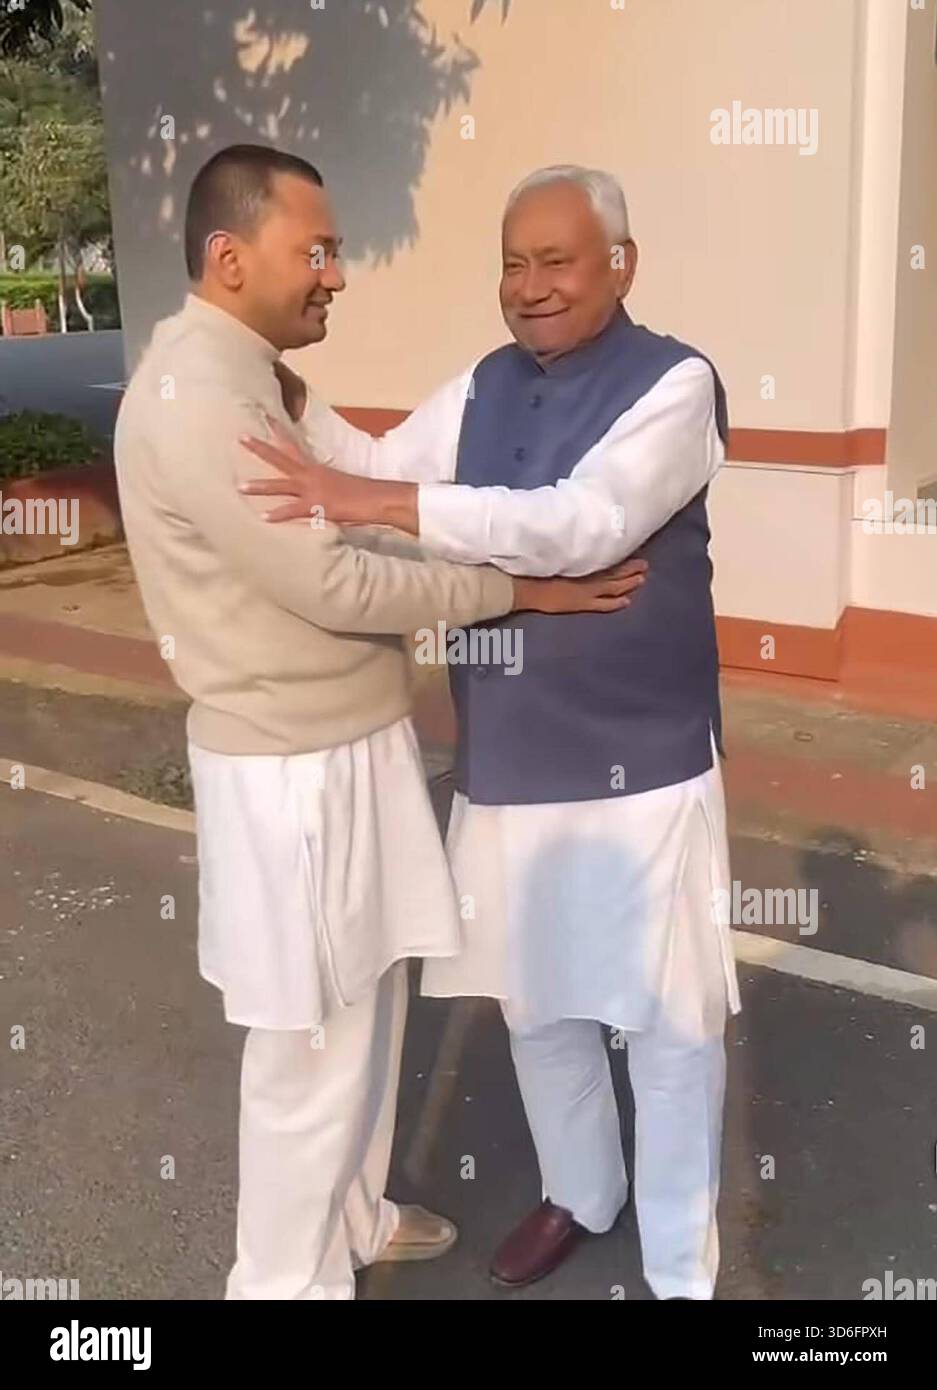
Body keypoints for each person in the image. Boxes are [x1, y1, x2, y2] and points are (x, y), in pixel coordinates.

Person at [113, 146, 646, 1301]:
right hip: (293, 769)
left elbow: (363, 515)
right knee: (309, 1048)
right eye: (314, 250)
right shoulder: (201, 398)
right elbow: (339, 584)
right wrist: (518, 588)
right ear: (228, 256)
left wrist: (473, 542)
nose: (335, 275)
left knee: (367, 1010)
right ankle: (282, 1283)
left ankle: (352, 1219)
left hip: (343, 746)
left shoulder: (255, 377)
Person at [240, 165, 742, 1301]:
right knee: (535, 1001)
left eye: (555, 260)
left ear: (621, 263)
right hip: (511, 756)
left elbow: (584, 525)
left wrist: (379, 505)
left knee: (668, 1028)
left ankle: (678, 1266)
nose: (529, 286)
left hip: (643, 769)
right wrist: (261, 372)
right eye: (512, 263)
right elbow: (372, 469)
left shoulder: (678, 386)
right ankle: (581, 1190)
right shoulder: (484, 383)